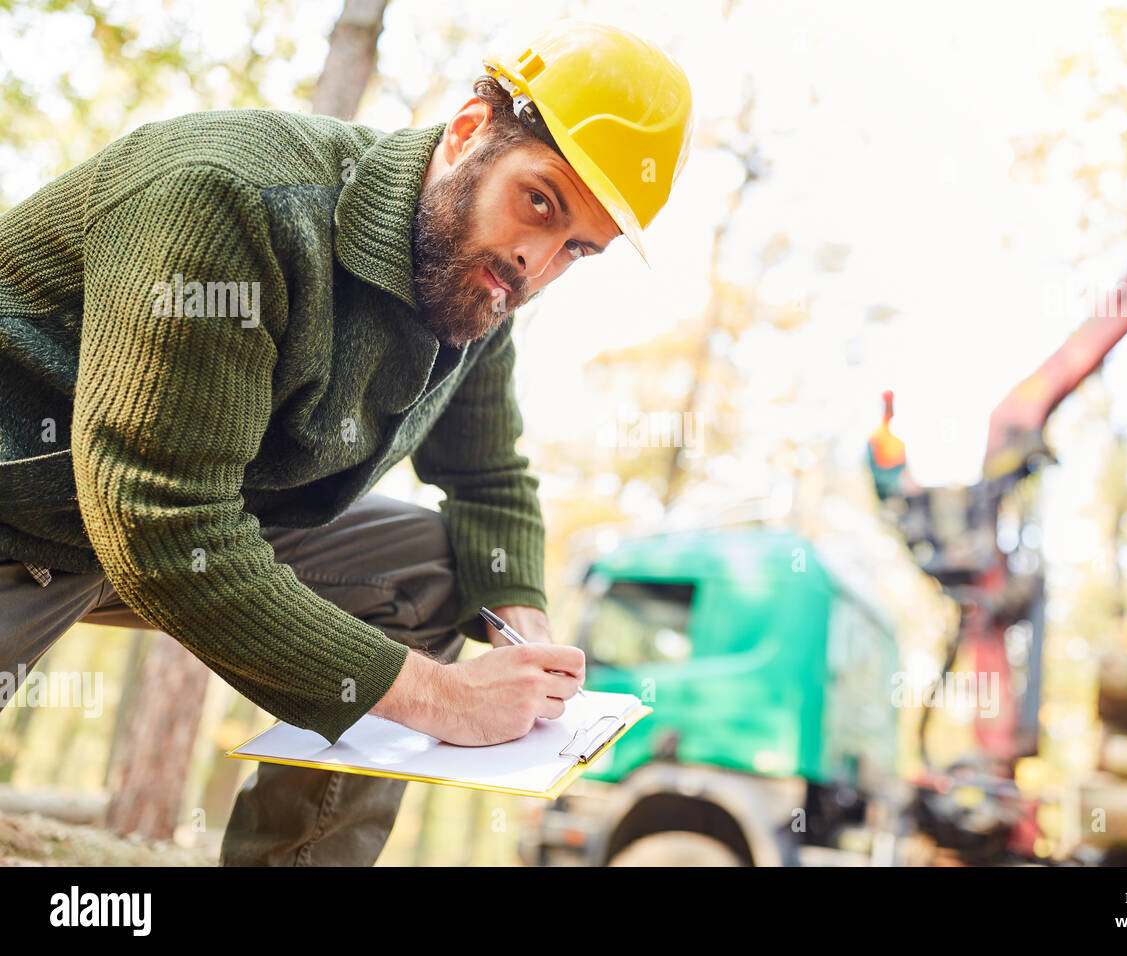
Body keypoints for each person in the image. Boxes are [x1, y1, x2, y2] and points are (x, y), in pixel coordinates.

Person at [0, 19, 693, 865]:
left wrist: (523, 635)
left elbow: (490, 481)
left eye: (575, 248)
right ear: (470, 132)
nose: (534, 263)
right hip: (27, 521)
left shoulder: (480, 294)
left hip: (173, 533)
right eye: (539, 201)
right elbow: (161, 519)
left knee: (438, 569)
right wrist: (443, 700)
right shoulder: (229, 198)